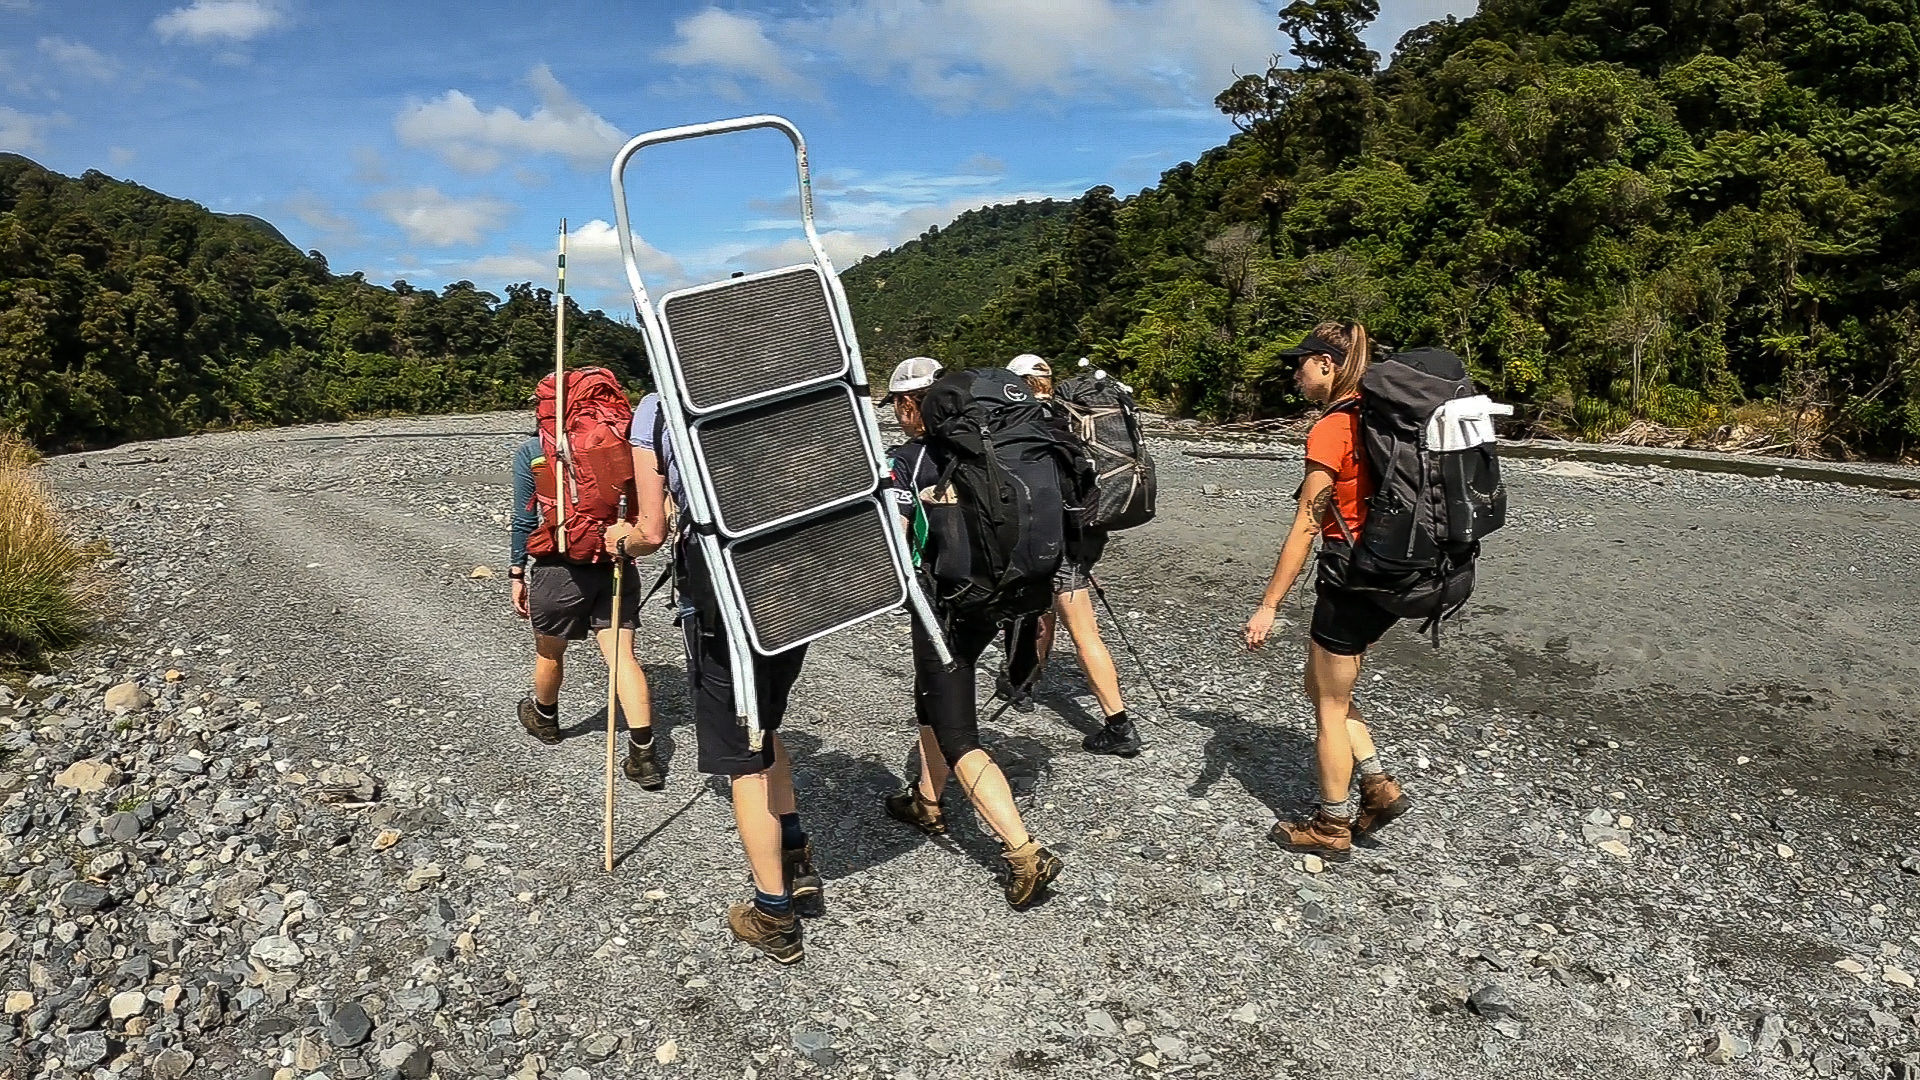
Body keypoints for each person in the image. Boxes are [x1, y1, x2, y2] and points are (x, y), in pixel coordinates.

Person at [607, 394, 821, 964]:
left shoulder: (657, 408)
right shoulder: (779, 387)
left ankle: (773, 914)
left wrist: (620, 540)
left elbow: (653, 531)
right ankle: (795, 854)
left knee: (742, 759)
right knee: (766, 725)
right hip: (798, 582)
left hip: (723, 597)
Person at [882, 356, 1063, 909]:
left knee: (959, 733)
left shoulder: (911, 459)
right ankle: (927, 801)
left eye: (897, 406)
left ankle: (1023, 851)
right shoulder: (1000, 445)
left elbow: (892, 538)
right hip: (1005, 593)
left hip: (947, 605)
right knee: (932, 696)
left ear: (909, 405)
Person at [1242, 321, 1412, 860]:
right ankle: (1378, 786)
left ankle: (1332, 824)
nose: (1296, 375)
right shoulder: (1382, 415)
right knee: (1321, 686)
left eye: (1301, 365)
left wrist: (1268, 604)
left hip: (1351, 575)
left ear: (1326, 364)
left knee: (1329, 705)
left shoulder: (1334, 426)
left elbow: (1307, 523)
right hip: (1395, 573)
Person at [508, 432, 663, 790]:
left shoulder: (533, 451)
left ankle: (545, 718)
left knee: (550, 652)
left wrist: (516, 572)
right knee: (623, 658)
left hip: (558, 569)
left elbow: (524, 519)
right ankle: (644, 757)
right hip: (615, 563)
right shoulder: (619, 444)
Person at [1006, 353, 1139, 758]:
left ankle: (1118, 725)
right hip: (1088, 530)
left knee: (1081, 629)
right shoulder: (1071, 415)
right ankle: (1025, 683)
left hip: (1056, 538)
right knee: (1048, 608)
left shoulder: (1030, 421)